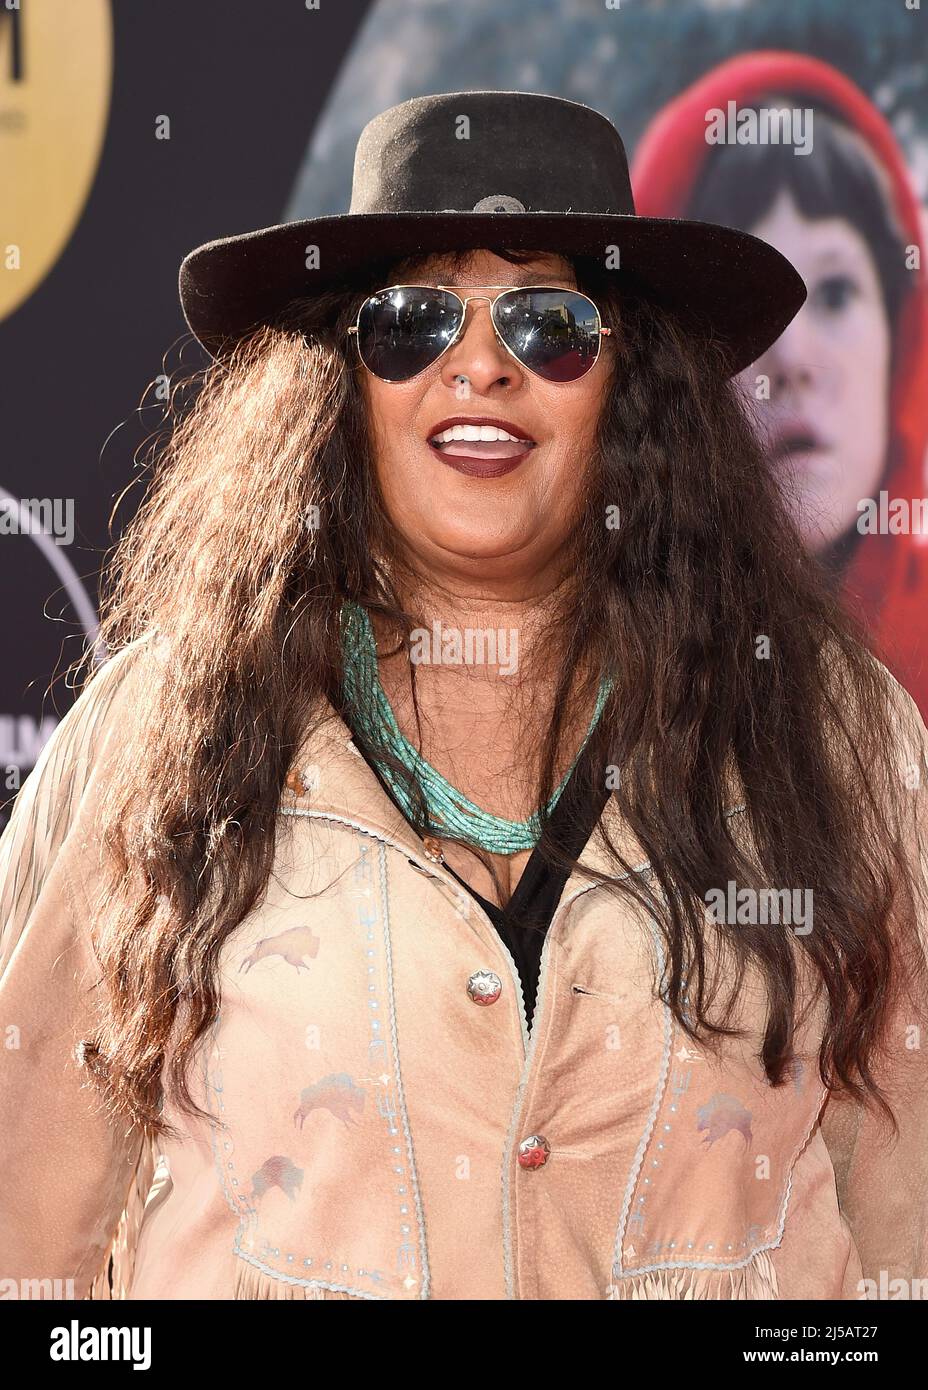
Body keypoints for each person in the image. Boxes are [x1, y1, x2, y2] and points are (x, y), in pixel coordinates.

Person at [1, 89, 927, 1302]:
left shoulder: (828, 734)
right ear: (341, 382)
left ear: (629, 379)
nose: (479, 365)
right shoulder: (163, 732)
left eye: (548, 324)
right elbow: (26, 1248)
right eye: (409, 323)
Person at [632, 51, 928, 722]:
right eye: (747, 308)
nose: (791, 360)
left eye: (835, 292)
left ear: (900, 338)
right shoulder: (605, 680)